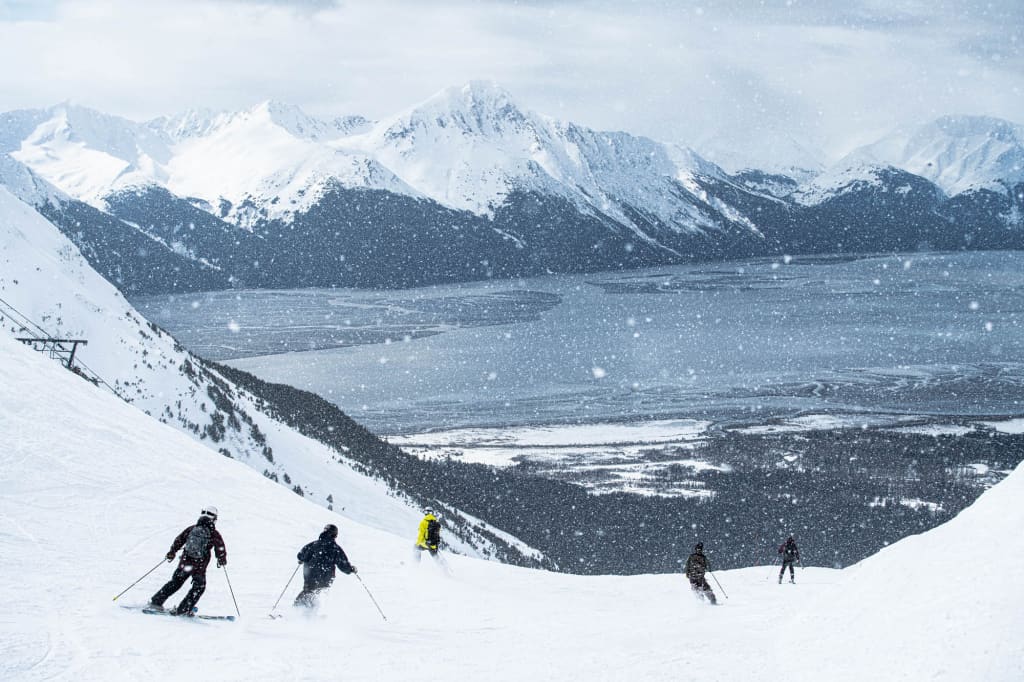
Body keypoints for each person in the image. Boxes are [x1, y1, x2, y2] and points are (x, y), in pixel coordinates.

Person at [149, 506, 227, 616]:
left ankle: (156, 601)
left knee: (175, 582)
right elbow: (220, 547)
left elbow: (179, 539)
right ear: (214, 518)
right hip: (199, 566)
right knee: (199, 587)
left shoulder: (192, 528)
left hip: (185, 563)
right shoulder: (214, 533)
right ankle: (184, 609)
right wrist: (221, 559)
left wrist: (172, 552)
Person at [293, 524, 357, 608]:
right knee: (315, 595)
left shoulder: (313, 545)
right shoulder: (336, 548)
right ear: (335, 535)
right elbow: (343, 564)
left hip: (311, 577)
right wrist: (351, 569)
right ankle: (310, 616)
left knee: (307, 594)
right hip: (326, 580)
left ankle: (297, 614)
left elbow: (301, 555)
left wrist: (302, 559)